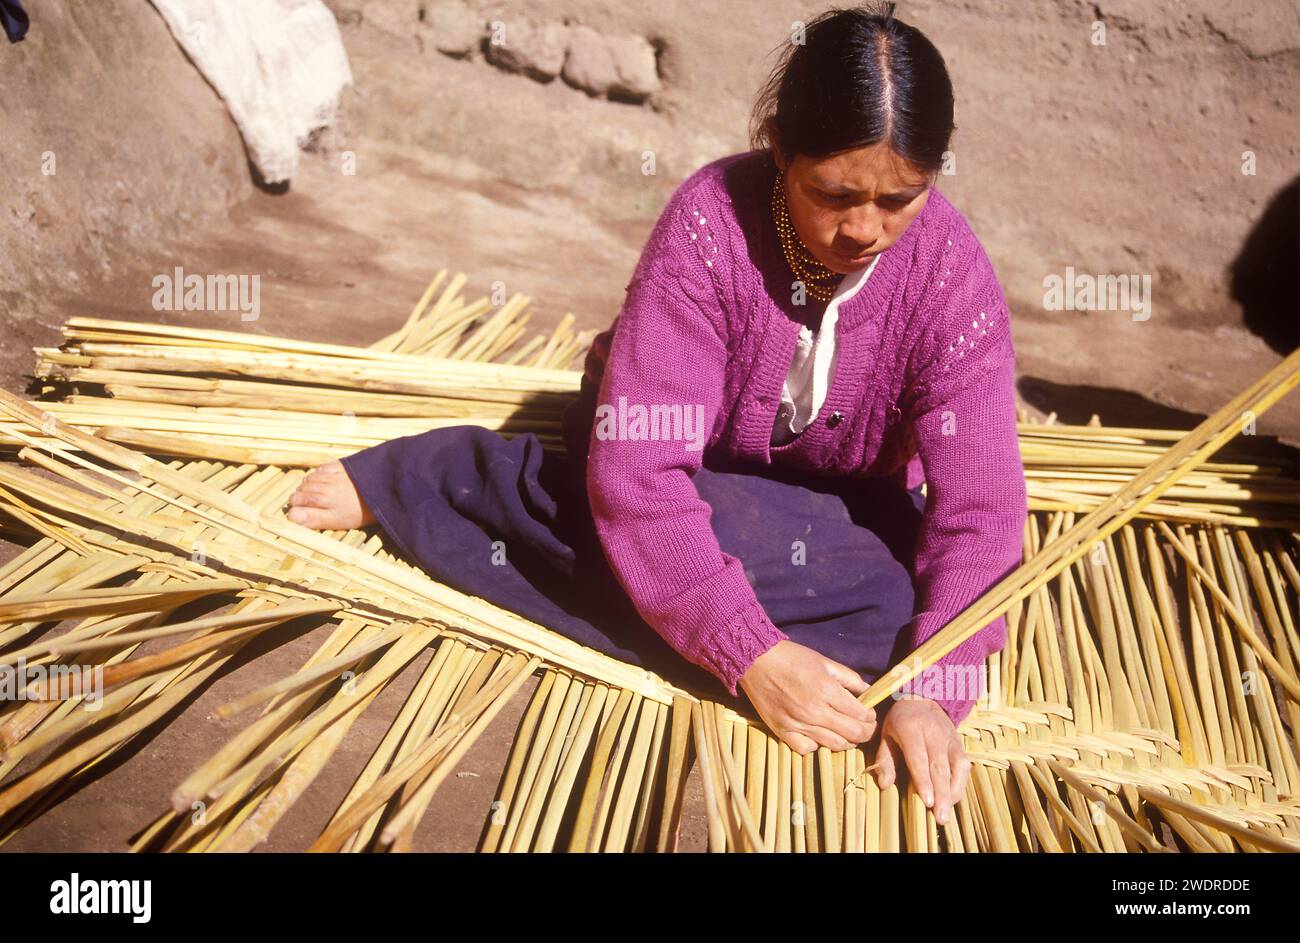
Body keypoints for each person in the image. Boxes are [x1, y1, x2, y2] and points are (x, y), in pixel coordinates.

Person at [285, 3, 1027, 828]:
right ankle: (451, 479)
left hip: (822, 505)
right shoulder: (710, 227)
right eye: (834, 194)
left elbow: (983, 515)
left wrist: (936, 691)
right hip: (660, 461)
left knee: (897, 612)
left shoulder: (952, 281)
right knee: (613, 521)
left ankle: (646, 581)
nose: (865, 228)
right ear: (780, 149)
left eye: (900, 199)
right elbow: (638, 477)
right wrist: (753, 656)